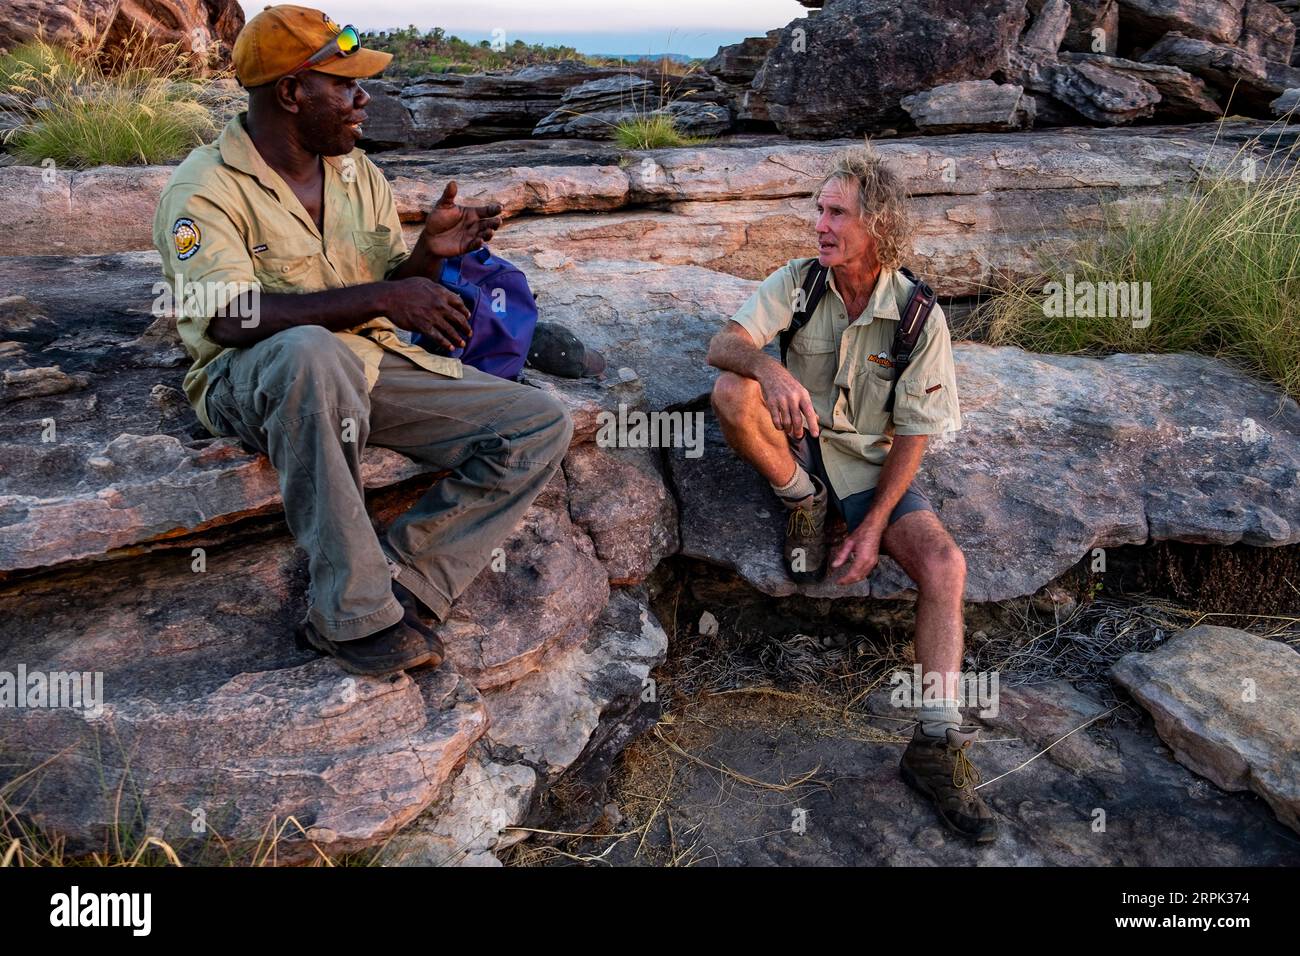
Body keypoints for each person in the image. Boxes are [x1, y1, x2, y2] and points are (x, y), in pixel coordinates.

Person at [152, 5, 573, 676]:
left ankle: (407, 581)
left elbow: (383, 286)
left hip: (366, 364)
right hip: (256, 379)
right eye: (345, 83)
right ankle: (349, 616)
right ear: (292, 92)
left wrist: (427, 258)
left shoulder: (355, 172)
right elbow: (227, 318)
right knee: (310, 353)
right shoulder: (202, 189)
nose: (363, 97)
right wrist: (385, 296)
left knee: (539, 424)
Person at [705, 144, 997, 844]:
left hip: (868, 470)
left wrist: (874, 527)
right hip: (801, 448)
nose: (821, 225)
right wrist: (769, 369)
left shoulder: (919, 315)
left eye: (838, 214)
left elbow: (914, 436)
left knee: (944, 566)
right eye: (819, 209)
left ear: (879, 228)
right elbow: (725, 343)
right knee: (731, 389)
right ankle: (801, 500)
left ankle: (934, 743)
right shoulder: (801, 282)